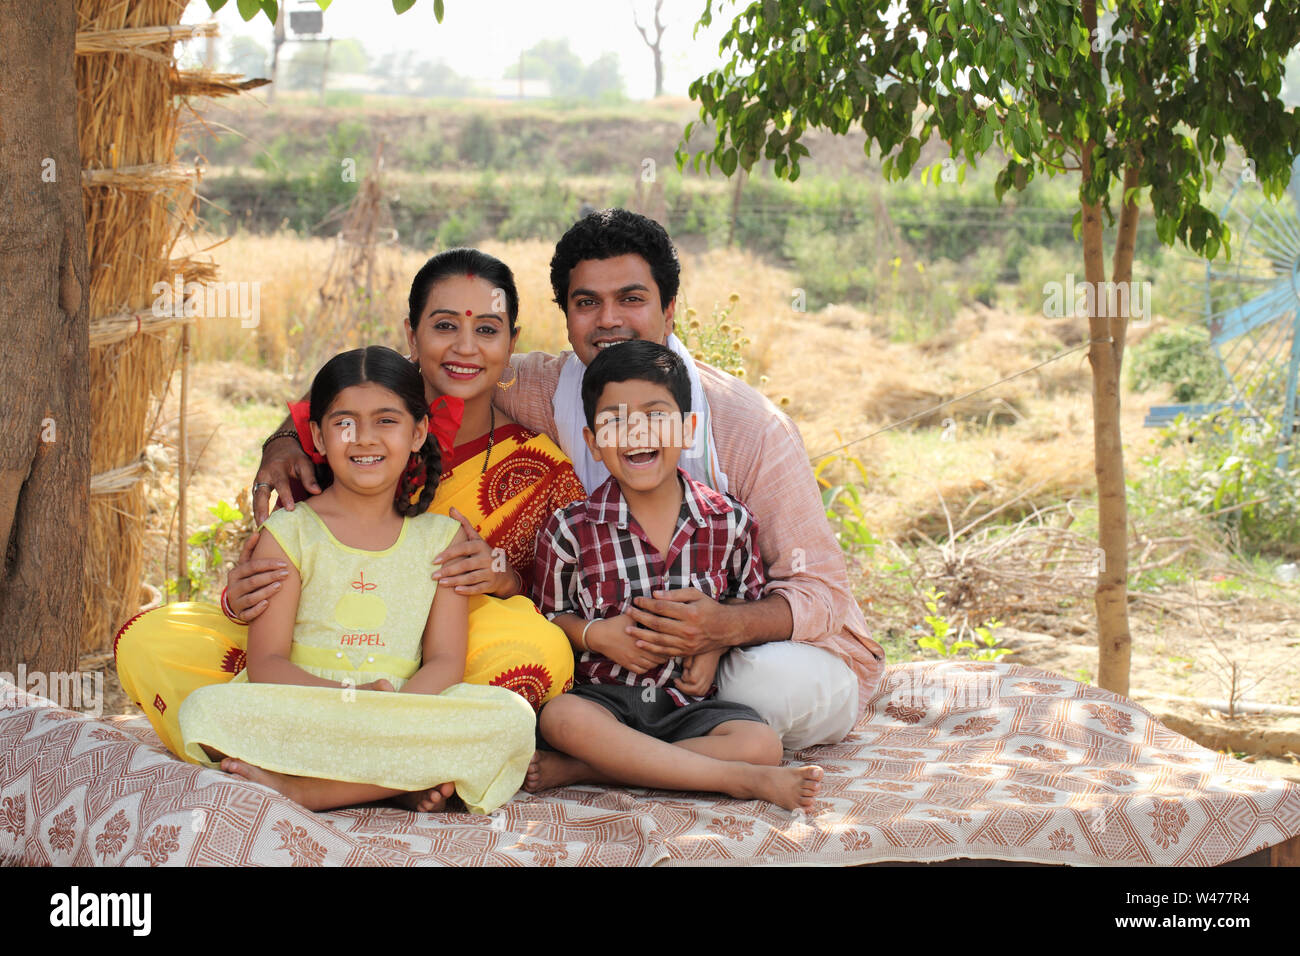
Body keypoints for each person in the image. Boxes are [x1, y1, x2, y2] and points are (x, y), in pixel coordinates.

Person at [117, 250, 584, 794]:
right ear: (412, 335)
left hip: (441, 661)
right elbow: (275, 569)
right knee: (150, 638)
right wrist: (239, 596)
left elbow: (564, 602)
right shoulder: (323, 436)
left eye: (486, 329)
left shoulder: (541, 467)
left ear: (511, 340)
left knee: (537, 648)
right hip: (307, 658)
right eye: (443, 326)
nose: (465, 347)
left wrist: (502, 577)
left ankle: (319, 770)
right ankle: (409, 769)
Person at [497, 209, 886, 750]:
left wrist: (720, 631)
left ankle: (615, 755)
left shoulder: (749, 427)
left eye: (631, 299)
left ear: (670, 309)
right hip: (609, 669)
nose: (608, 319)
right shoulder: (542, 388)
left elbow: (820, 591)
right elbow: (450, 370)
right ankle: (655, 750)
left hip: (730, 662)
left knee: (774, 689)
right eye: (587, 302)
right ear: (566, 316)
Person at [178, 346, 535, 814]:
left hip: (403, 709)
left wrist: (388, 711)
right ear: (318, 438)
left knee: (511, 719)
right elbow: (266, 663)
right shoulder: (290, 532)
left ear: (419, 432)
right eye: (344, 422)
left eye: (386, 421)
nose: (364, 438)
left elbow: (445, 662)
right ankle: (394, 782)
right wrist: (353, 700)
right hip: (308, 707)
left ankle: (306, 790)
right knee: (204, 712)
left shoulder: (442, 538)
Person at [527, 340, 823, 811]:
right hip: (605, 701)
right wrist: (596, 634)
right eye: (615, 420)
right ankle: (737, 781)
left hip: (690, 707)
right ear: (593, 443)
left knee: (762, 744)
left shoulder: (730, 522)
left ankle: (591, 769)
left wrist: (716, 643)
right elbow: (545, 617)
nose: (636, 432)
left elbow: (743, 604)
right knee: (561, 718)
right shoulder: (570, 528)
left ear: (688, 430)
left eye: (655, 415)